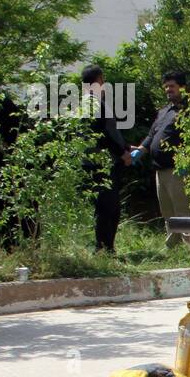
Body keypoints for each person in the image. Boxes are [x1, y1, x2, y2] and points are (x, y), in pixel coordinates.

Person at [136, 70, 190, 246]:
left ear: (182, 87)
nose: (168, 89)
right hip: (160, 170)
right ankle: (174, 247)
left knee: (183, 210)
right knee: (167, 211)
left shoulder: (189, 109)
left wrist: (187, 161)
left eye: (172, 86)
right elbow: (152, 135)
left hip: (178, 169)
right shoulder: (164, 111)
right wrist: (139, 150)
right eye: (166, 86)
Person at [82, 64, 132, 252]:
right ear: (98, 81)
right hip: (102, 165)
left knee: (108, 208)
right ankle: (104, 249)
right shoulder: (94, 103)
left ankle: (106, 248)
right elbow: (103, 136)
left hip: (98, 163)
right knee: (108, 209)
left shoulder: (88, 103)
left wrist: (126, 147)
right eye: (103, 80)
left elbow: (109, 133)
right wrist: (123, 154)